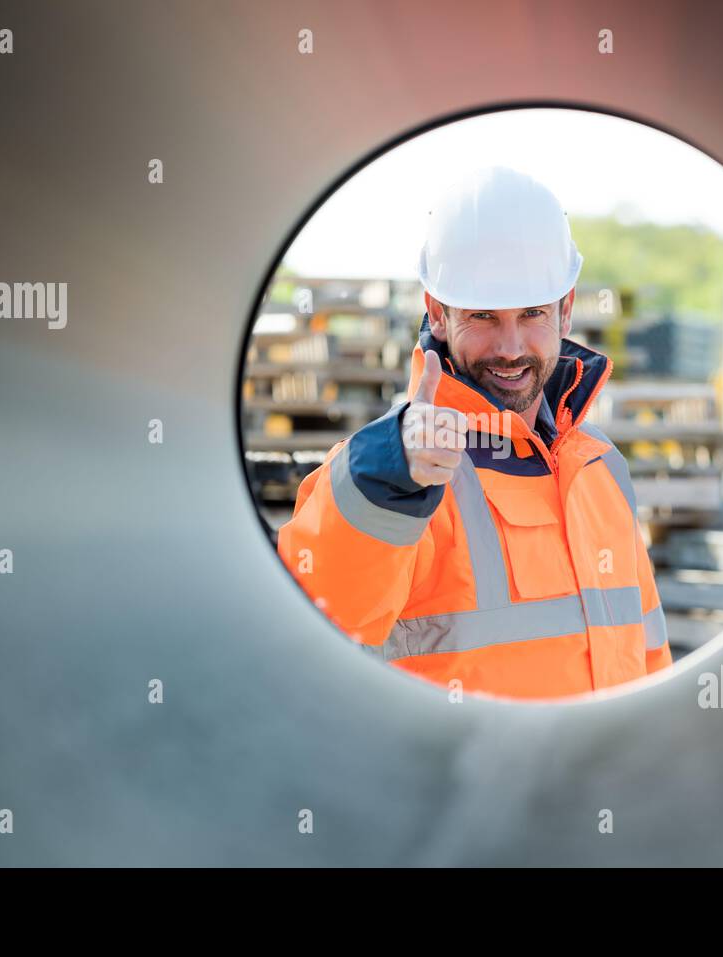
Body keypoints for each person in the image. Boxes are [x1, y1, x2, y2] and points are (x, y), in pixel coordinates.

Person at [278, 166, 672, 699]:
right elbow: (315, 617)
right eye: (483, 316)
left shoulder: (602, 466)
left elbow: (649, 657)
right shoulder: (397, 475)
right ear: (437, 313)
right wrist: (387, 472)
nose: (510, 347)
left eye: (532, 312)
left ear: (566, 310)